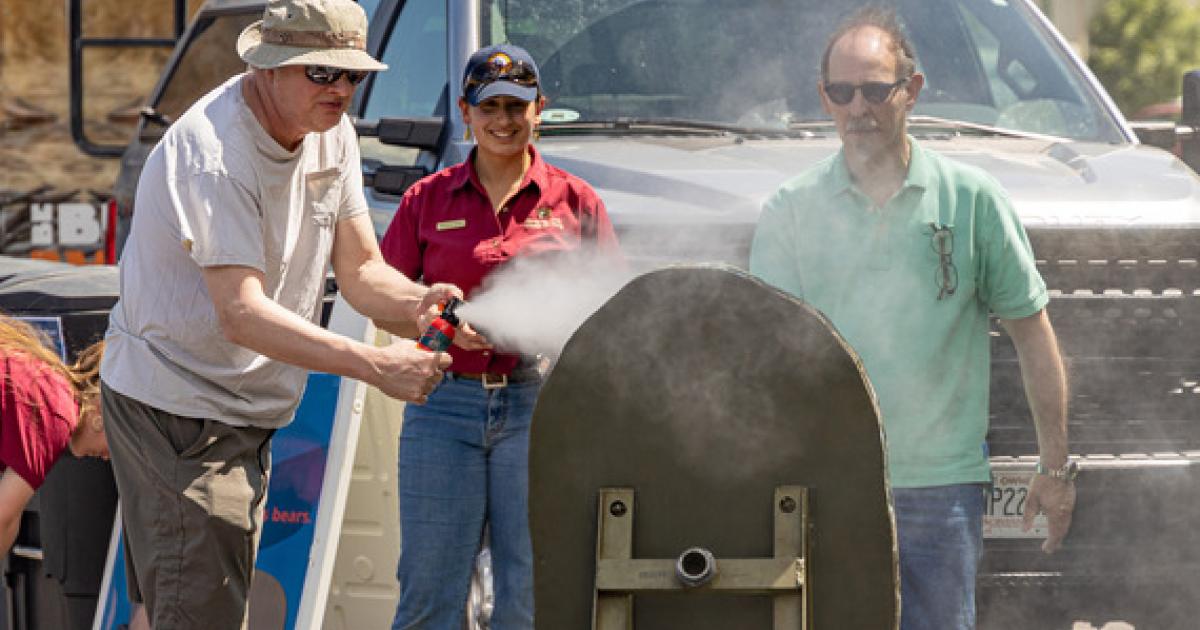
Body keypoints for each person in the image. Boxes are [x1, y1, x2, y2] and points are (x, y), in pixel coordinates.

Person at [98, 1, 473, 627]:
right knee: (200, 615)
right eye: (322, 71)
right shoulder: (214, 153)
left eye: (352, 74)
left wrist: (418, 303)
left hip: (236, 409)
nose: (341, 89)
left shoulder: (331, 129)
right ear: (267, 66)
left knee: (197, 607)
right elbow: (242, 315)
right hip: (179, 413)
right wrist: (377, 365)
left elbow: (362, 272)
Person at [749, 8, 1075, 630]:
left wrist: (1054, 468)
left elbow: (1033, 334)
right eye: (842, 92)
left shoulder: (973, 199)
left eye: (876, 90)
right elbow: (769, 364)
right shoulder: (790, 210)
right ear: (824, 98)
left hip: (942, 490)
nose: (858, 108)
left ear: (912, 90)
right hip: (826, 489)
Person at [378, 43, 621, 630]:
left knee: (531, 597)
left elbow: (611, 310)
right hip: (442, 407)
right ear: (465, 112)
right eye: (489, 106)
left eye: (517, 106)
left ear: (540, 109)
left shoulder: (576, 200)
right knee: (429, 596)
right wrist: (439, 326)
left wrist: (560, 336)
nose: (504, 120)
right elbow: (385, 301)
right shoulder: (425, 199)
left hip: (539, 405)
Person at [0, 314, 108, 555]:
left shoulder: (49, 381)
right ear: (101, 410)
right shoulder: (57, 416)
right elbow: (4, 516)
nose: (108, 457)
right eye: (120, 442)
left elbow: (9, 518)